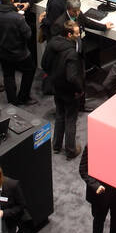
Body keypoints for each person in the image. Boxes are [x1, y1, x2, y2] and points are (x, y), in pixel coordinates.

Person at [42, 20, 84, 159]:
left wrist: (53, 77)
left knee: (60, 115)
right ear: (69, 34)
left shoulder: (53, 43)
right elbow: (72, 77)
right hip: (69, 91)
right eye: (77, 33)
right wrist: (79, 89)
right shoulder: (71, 53)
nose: (79, 36)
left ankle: (56, 146)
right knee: (71, 119)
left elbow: (44, 64)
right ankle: (71, 150)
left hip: (56, 87)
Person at [0, 0, 36, 106]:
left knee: (8, 74)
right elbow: (28, 35)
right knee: (29, 70)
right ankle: (23, 97)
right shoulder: (17, 18)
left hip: (2, 52)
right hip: (20, 54)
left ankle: (12, 100)